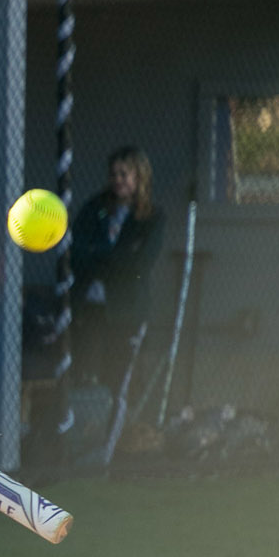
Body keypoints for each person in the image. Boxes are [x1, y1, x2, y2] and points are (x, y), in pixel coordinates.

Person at [69, 146, 165, 436]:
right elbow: (76, 253)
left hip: (127, 309)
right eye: (114, 174)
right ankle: (89, 433)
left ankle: (122, 436)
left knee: (121, 373)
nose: (118, 180)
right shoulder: (94, 209)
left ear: (139, 176)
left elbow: (141, 263)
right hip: (91, 306)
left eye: (125, 174)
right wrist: (114, 257)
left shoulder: (151, 217)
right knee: (87, 370)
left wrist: (101, 256)